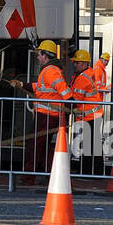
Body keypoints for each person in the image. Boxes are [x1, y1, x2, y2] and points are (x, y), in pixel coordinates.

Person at [26, 40, 70, 181]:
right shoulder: (49, 70)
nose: (38, 58)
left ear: (45, 55)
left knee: (34, 145)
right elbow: (40, 87)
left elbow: (64, 91)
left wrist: (72, 105)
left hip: (47, 116)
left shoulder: (50, 71)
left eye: (39, 55)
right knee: (44, 147)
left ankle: (29, 177)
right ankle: (48, 175)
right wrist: (22, 85)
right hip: (48, 115)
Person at [70, 49, 104, 175]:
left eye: (77, 62)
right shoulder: (84, 74)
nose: (74, 64)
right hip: (92, 114)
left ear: (84, 63)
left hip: (89, 115)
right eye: (74, 62)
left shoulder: (83, 78)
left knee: (89, 144)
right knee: (92, 144)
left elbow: (76, 99)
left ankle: (89, 171)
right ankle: (92, 170)